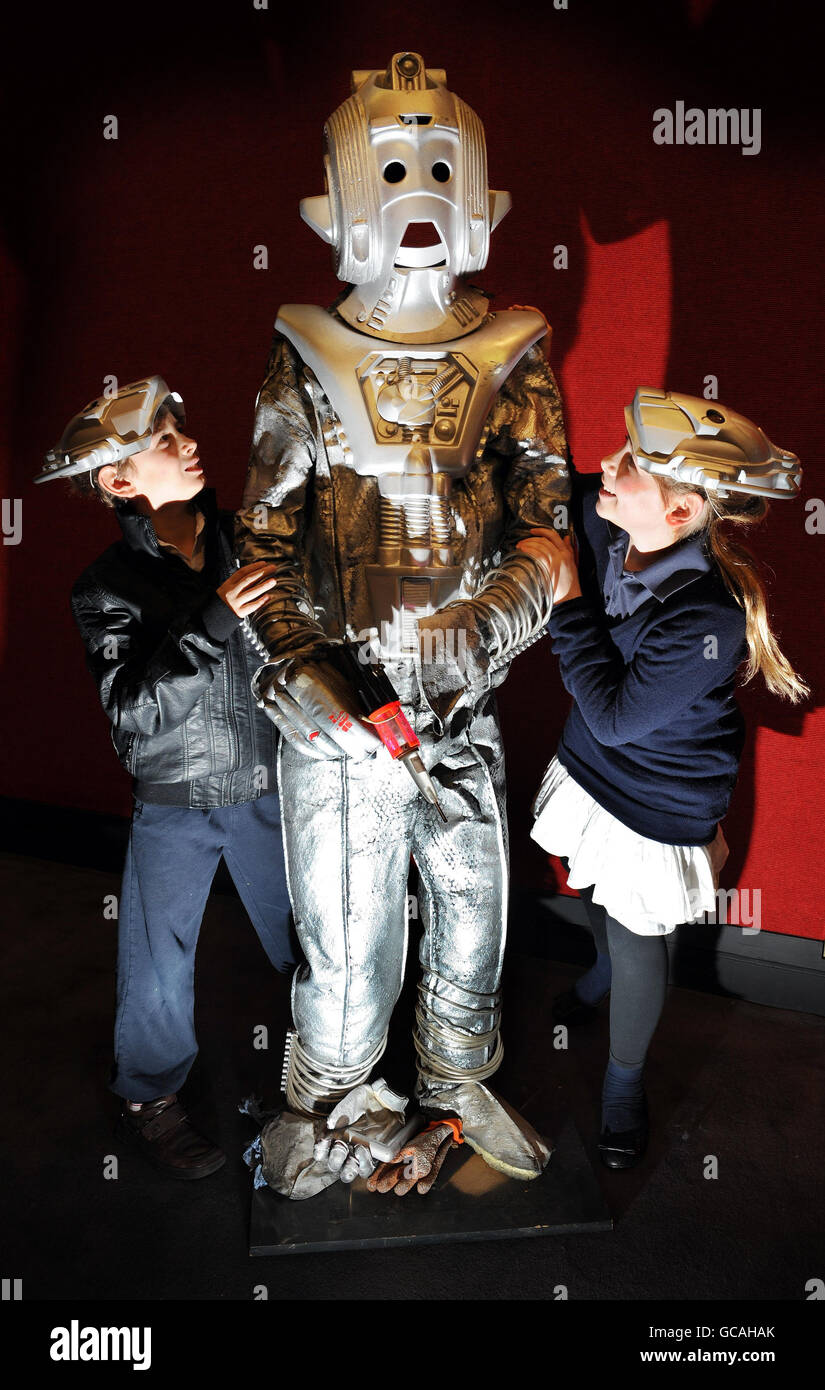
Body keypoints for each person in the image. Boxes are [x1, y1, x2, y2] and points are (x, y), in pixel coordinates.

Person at [236, 52, 569, 1199]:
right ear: (346, 201)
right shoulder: (306, 356)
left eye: (438, 167)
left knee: (476, 916)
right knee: (348, 944)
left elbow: (550, 534)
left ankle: (457, 1081)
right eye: (395, 168)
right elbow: (263, 552)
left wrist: (481, 625)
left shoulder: (516, 354)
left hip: (467, 703)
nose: (418, 192)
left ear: (475, 193)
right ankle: (327, 1099)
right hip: (343, 720)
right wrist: (300, 673)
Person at [518, 387, 807, 1170]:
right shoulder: (609, 520)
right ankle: (593, 985)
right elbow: (541, 489)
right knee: (603, 904)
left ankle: (622, 1088)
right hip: (594, 768)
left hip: (656, 799)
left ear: (679, 513)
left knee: (640, 931)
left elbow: (613, 713)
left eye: (630, 465)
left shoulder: (704, 616)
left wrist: (565, 595)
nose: (603, 466)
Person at [37, 376, 295, 1179]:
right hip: (174, 806)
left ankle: (333, 1079)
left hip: (270, 789)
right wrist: (215, 619)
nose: (188, 444)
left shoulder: (251, 540)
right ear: (119, 481)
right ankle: (148, 1096)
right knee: (156, 966)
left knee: (318, 947)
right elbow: (136, 718)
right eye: (163, 441)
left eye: (181, 430)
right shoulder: (105, 588)